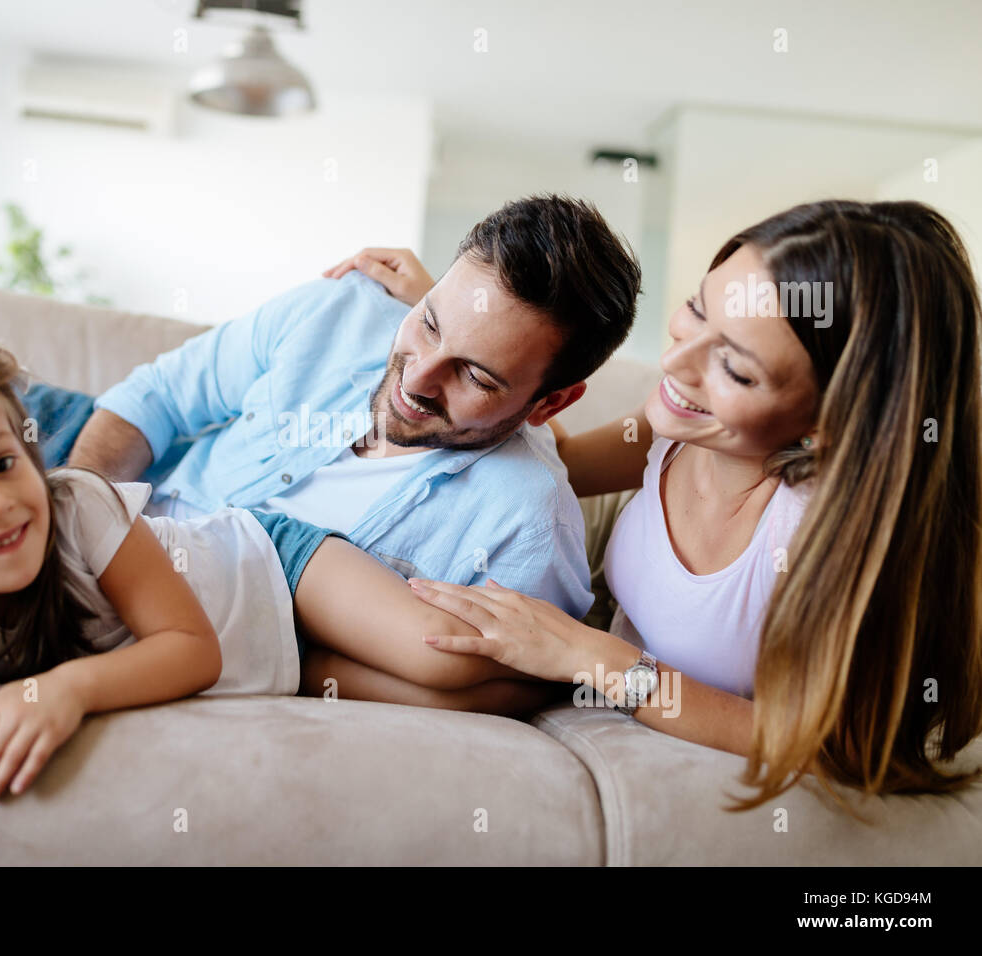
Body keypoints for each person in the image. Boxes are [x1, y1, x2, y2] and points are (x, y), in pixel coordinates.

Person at [0, 194, 644, 711]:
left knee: (441, 665)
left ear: (552, 400)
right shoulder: (347, 310)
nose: (417, 376)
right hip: (83, 471)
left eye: (474, 376)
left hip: (224, 558)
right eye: (428, 321)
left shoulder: (523, 518)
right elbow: (156, 397)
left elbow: (518, 677)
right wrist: (54, 512)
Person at [0, 334, 571, 805]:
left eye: (4, 463)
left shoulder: (77, 505)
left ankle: (580, 655)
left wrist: (67, 690)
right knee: (484, 704)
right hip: (277, 666)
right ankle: (551, 688)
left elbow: (188, 647)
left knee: (439, 656)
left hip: (276, 564)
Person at [390, 199, 982, 813]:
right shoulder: (677, 432)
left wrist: (593, 655)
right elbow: (559, 452)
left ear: (829, 425)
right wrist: (453, 320)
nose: (675, 363)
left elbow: (835, 745)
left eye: (733, 367)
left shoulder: (816, 531)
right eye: (698, 309)